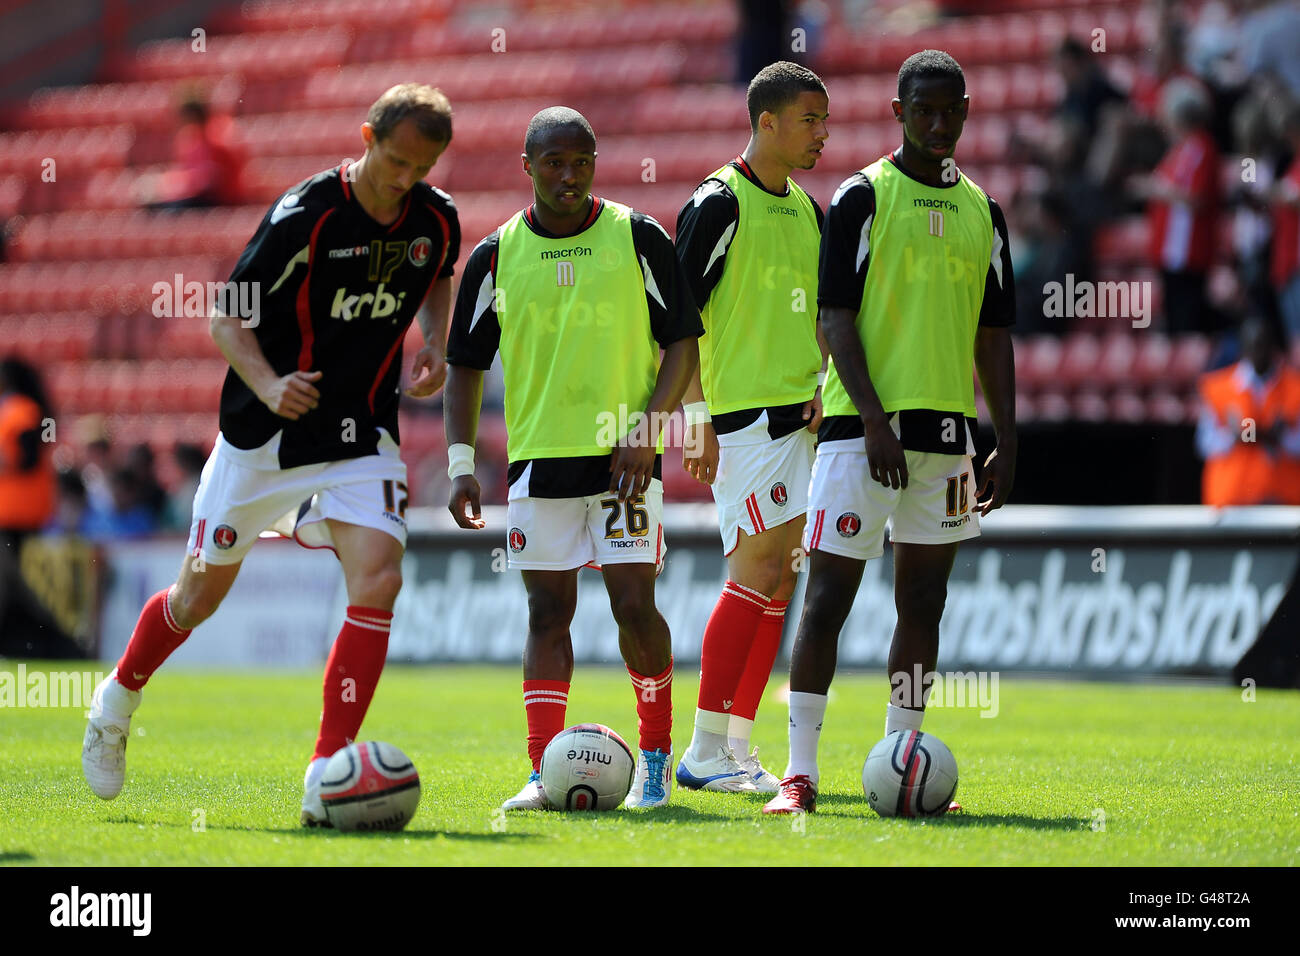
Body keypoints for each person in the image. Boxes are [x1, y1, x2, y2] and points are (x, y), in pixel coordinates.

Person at [81, 84, 462, 827]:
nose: (402, 180)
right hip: (266, 436)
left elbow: (438, 278)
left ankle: (326, 772)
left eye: (419, 168)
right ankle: (116, 700)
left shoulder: (435, 218)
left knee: (379, 579)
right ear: (366, 136)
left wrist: (438, 343)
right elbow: (228, 316)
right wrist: (269, 382)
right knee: (196, 599)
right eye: (393, 161)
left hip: (361, 434)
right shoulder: (307, 215)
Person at [762, 50, 1017, 814]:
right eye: (924, 111)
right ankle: (798, 774)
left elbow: (995, 333)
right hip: (857, 435)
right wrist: (872, 418)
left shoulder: (984, 211)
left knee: (924, 603)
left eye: (951, 110)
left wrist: (1005, 432)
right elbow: (833, 316)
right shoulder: (861, 196)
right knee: (828, 599)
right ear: (898, 113)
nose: (939, 124)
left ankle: (902, 756)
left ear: (966, 111)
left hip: (947, 440)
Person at [444, 107, 701, 810]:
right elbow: (464, 362)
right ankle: (539, 773)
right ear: (527, 166)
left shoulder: (638, 236)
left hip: (623, 463)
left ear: (595, 161)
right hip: (537, 463)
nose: (568, 176)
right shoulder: (495, 255)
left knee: (633, 606)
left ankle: (654, 758)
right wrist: (461, 462)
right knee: (546, 614)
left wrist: (650, 427)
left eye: (581, 161)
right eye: (553, 162)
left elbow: (683, 341)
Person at [671, 61, 828, 794]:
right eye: (809, 120)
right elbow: (675, 321)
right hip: (743, 424)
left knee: (775, 582)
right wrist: (693, 417)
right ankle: (704, 748)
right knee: (754, 574)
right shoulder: (716, 202)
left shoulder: (808, 209)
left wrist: (824, 387)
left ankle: (734, 749)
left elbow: (818, 318)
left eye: (823, 121)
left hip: (800, 424)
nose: (821, 135)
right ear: (766, 122)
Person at [1196, 316, 1300, 505]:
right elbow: (1206, 443)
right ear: (1243, 348)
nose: (1258, 352)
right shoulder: (1218, 387)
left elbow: (1296, 444)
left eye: (1263, 345)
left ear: (1273, 347)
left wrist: (1252, 434)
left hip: (1283, 501)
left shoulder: (1295, 387)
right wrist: (1257, 435)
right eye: (1253, 346)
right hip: (1230, 500)